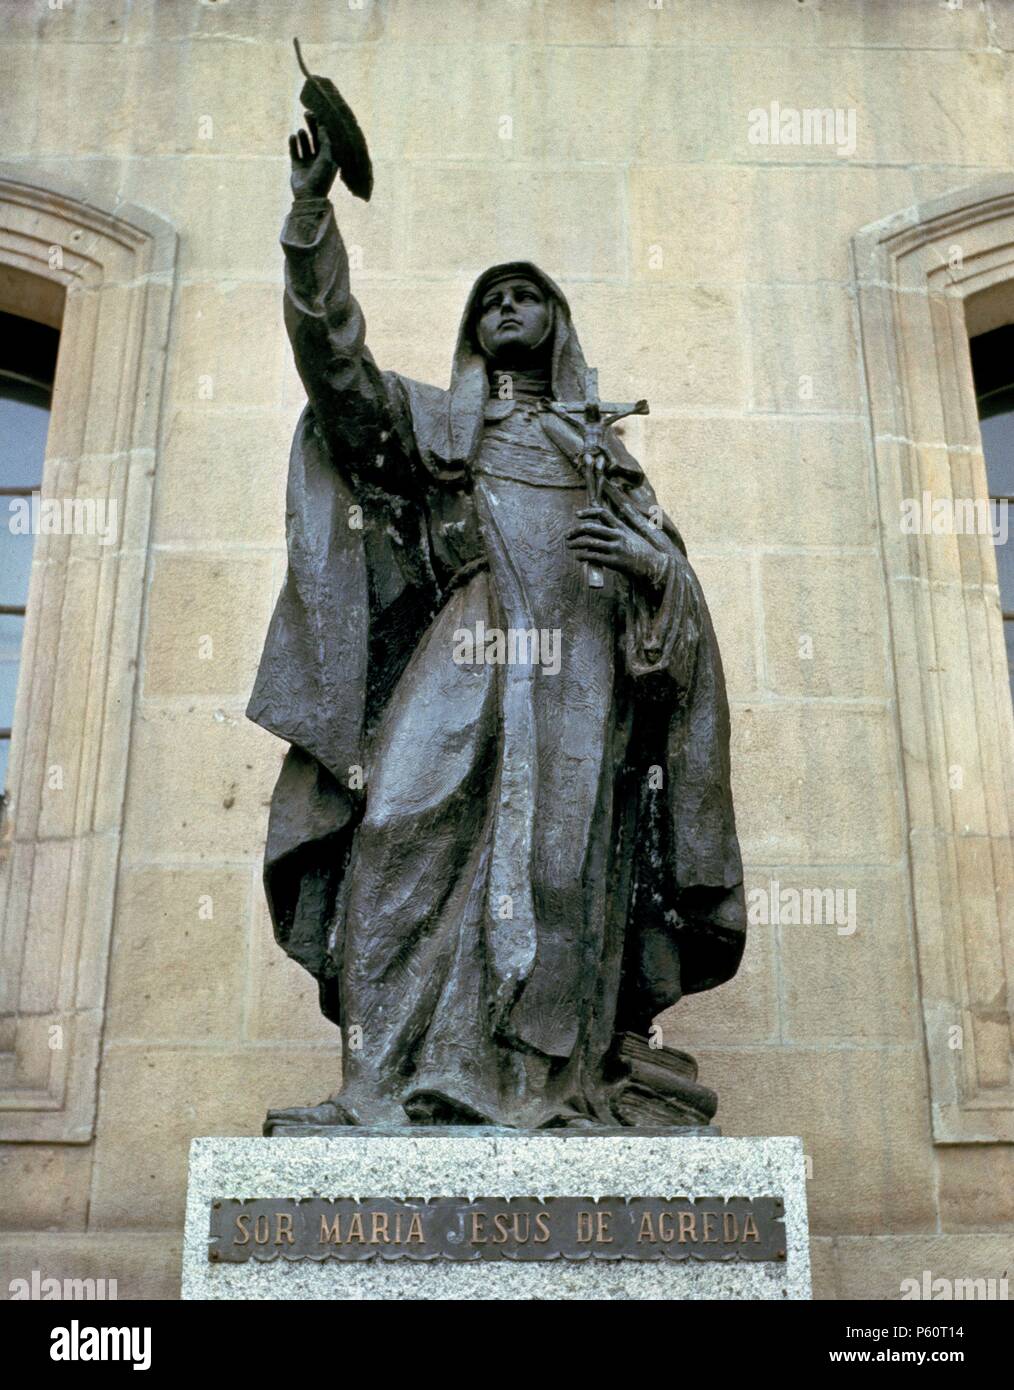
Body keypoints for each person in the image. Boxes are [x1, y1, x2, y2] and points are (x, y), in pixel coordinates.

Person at [248, 115, 746, 1129]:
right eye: (493, 300)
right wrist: (310, 222)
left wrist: (649, 565)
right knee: (394, 826)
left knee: (558, 867)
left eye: (529, 297)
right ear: (474, 331)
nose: (510, 308)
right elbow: (337, 373)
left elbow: (675, 582)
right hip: (468, 649)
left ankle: (538, 1082)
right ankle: (376, 1081)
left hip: (578, 674)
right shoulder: (439, 426)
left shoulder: (600, 451)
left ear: (556, 325)